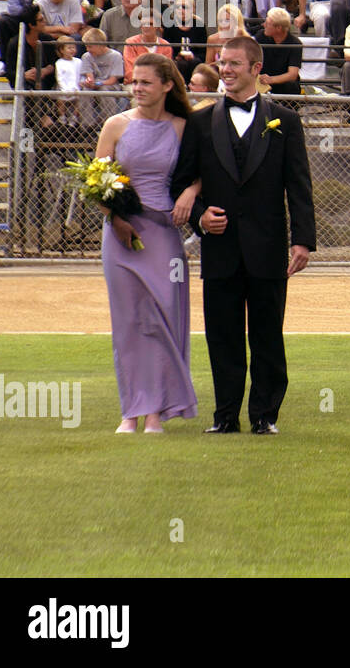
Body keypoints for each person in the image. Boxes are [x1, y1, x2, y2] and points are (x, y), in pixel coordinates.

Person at [171, 36, 315, 435]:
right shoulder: (200, 122)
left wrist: (302, 240)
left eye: (234, 63)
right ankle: (225, 416)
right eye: (221, 63)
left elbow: (298, 185)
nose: (226, 70)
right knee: (223, 336)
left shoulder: (285, 120)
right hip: (220, 249)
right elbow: (179, 183)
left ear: (256, 68)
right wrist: (200, 217)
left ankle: (265, 416)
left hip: (267, 246)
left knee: (268, 336)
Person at [96, 54, 199, 433]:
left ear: (167, 85)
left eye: (145, 83)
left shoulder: (184, 127)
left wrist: (190, 191)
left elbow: (204, 171)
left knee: (161, 321)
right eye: (133, 82)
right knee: (128, 323)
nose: (137, 89)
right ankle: (131, 411)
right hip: (122, 235)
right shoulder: (115, 125)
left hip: (164, 235)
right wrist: (117, 218)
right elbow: (98, 179)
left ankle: (156, 411)